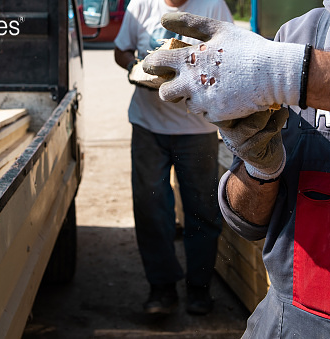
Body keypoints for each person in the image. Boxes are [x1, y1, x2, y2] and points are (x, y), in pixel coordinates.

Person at [143, 0, 330, 336]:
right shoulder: (296, 36)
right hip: (291, 318)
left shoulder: (285, 57)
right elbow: (248, 219)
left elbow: (288, 69)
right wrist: (259, 169)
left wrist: (290, 71)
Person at [113, 0, 233, 315]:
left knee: (202, 211)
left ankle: (199, 288)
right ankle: (162, 289)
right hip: (147, 125)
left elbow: (230, 54)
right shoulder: (140, 5)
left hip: (196, 128)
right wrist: (135, 67)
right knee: (152, 208)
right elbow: (121, 49)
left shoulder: (213, 6)